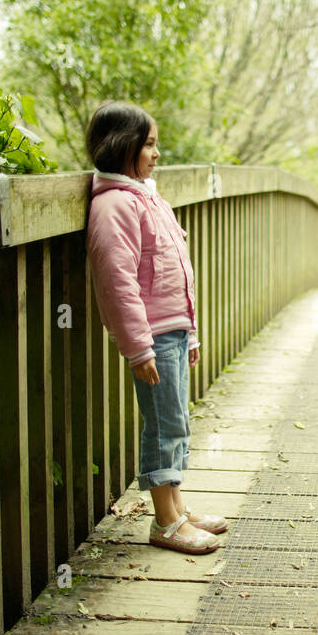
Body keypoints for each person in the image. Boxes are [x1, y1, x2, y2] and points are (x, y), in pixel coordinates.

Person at [84, 100, 226, 554]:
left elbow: (174, 269)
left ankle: (177, 509)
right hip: (152, 335)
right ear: (121, 145)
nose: (157, 154)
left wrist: (191, 330)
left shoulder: (147, 195)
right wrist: (138, 347)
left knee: (176, 421)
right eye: (148, 144)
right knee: (164, 426)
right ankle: (164, 522)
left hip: (173, 330)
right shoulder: (114, 207)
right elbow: (117, 281)